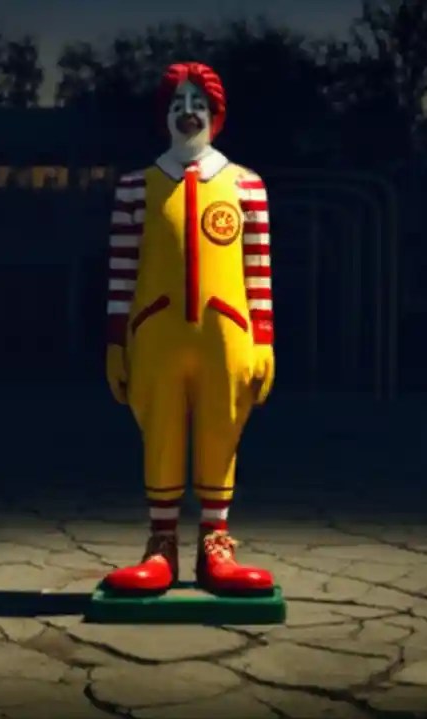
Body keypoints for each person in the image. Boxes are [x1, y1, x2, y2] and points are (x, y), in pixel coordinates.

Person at [102, 61, 277, 595]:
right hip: (155, 332)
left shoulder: (246, 185)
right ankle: (162, 544)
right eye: (178, 103)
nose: (188, 113)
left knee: (223, 428)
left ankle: (215, 543)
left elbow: (258, 268)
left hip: (227, 333)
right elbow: (122, 270)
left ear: (216, 114)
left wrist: (264, 339)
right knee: (160, 431)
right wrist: (115, 342)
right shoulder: (137, 187)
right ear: (163, 114)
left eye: (198, 103)